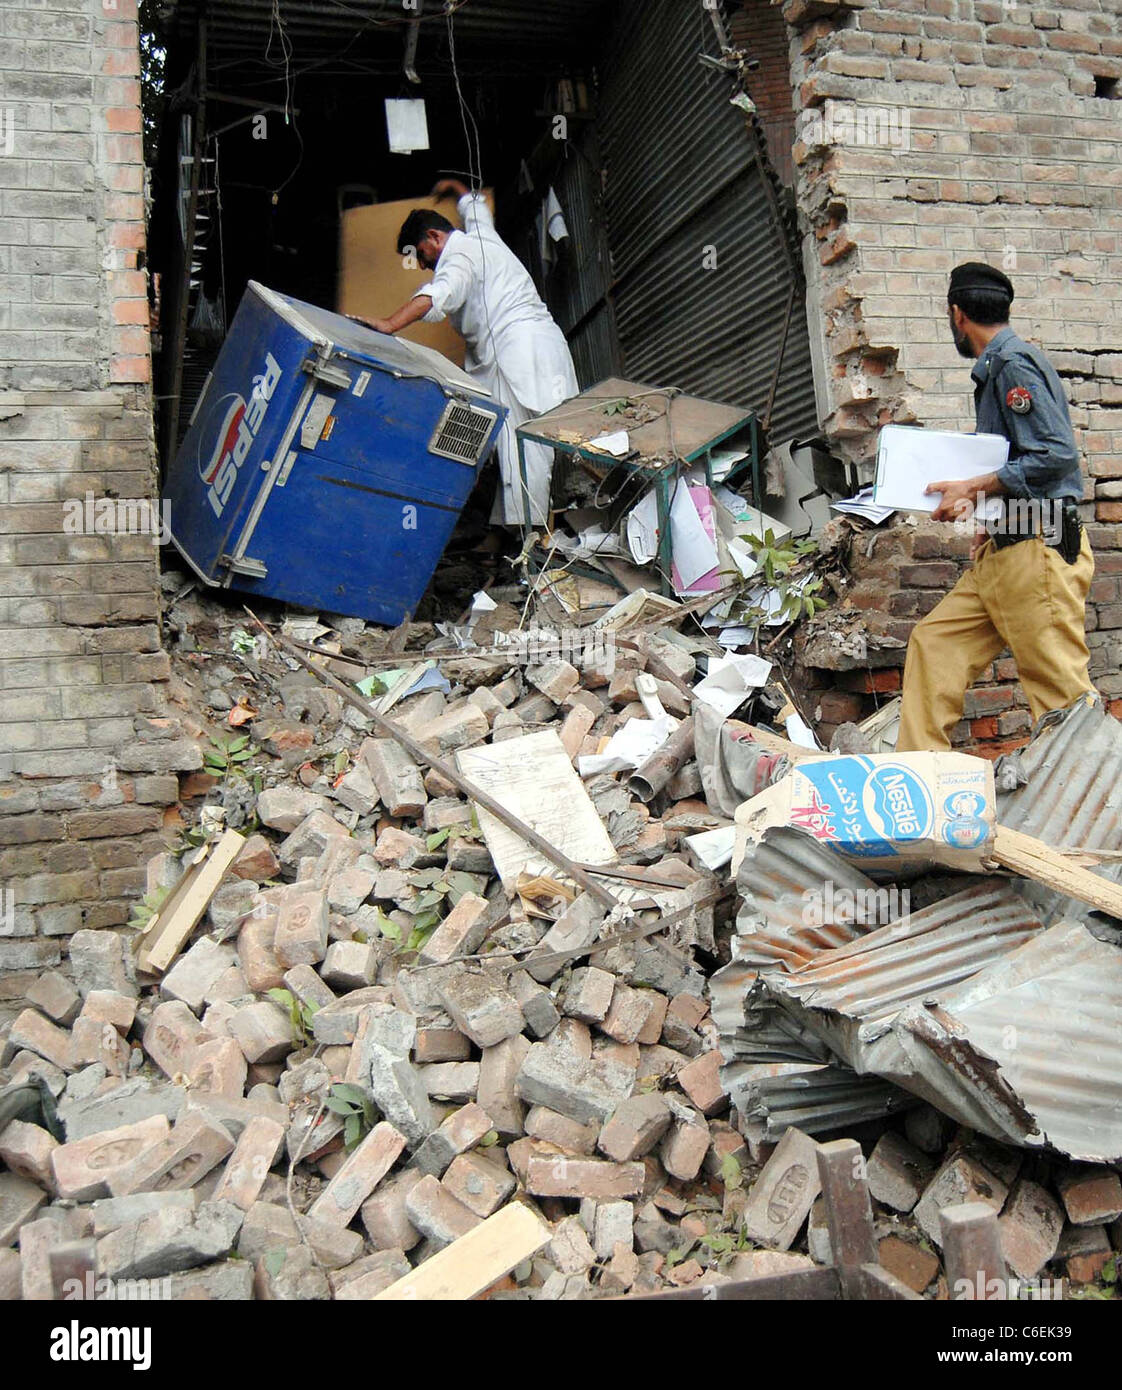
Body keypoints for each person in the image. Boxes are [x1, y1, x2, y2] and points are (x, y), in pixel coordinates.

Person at [895, 261, 1096, 752]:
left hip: (1039, 548)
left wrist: (972, 488)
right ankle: (921, 783)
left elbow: (1056, 454)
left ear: (957, 314)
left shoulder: (1013, 365)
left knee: (1060, 695)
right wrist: (988, 513)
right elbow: (1019, 460)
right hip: (1005, 549)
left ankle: (1102, 807)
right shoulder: (997, 369)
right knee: (934, 643)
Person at [352, 178, 578, 527]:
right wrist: (456, 189)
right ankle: (511, 533)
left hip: (516, 354)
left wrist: (389, 324)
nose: (423, 264)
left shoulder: (458, 258)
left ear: (433, 238)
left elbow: (438, 295)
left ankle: (529, 544)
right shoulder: (482, 239)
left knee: (524, 450)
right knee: (510, 448)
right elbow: (476, 210)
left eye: (421, 254)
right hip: (535, 347)